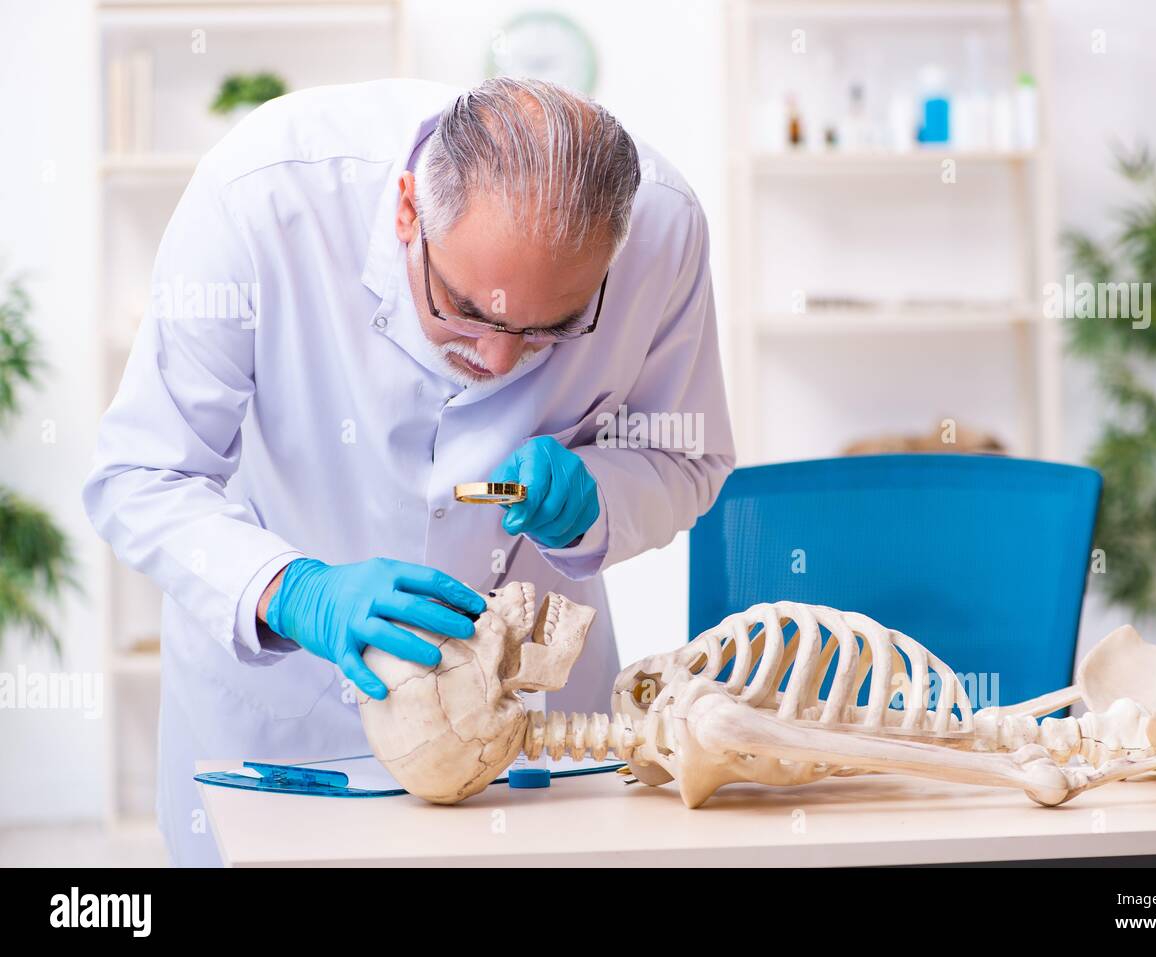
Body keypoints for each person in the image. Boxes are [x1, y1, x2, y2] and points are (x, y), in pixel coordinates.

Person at [83, 76, 734, 865]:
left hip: (530, 740)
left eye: (551, 330)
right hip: (287, 731)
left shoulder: (661, 228)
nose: (497, 358)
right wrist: (294, 591)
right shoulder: (261, 197)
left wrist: (599, 498)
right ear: (405, 212)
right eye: (465, 308)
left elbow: (686, 454)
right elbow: (143, 473)